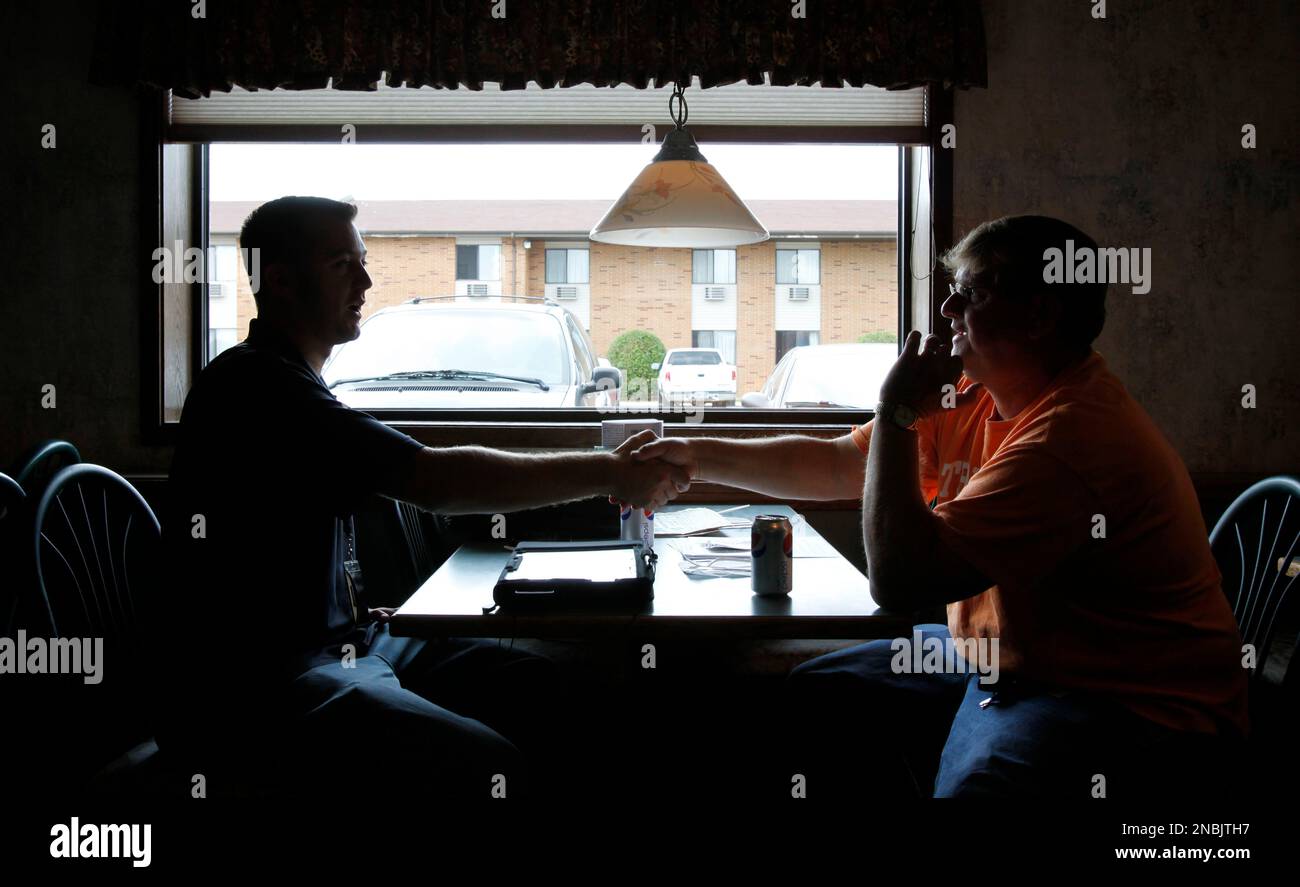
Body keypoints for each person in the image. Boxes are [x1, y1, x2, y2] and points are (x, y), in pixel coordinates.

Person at [631, 215, 1249, 798]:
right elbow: (842, 463)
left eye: (971, 294)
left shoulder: (1070, 439)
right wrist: (697, 455)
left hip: (1123, 699)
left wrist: (896, 413)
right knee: (819, 691)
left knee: (979, 786)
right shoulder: (976, 394)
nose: (948, 308)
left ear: (1039, 315)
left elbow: (899, 580)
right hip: (998, 655)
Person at [153, 196, 690, 799]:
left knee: (544, 685)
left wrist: (353, 614)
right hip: (260, 687)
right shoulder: (257, 388)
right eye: (341, 265)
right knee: (493, 764)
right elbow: (434, 480)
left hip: (346, 645)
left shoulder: (297, 384)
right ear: (278, 281)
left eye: (362, 261)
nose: (366, 281)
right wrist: (610, 474)